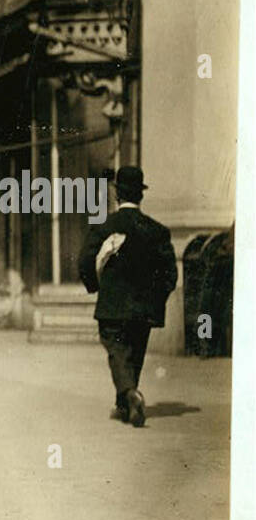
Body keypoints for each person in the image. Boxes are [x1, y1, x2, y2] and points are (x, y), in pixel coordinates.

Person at [78, 166, 178, 428]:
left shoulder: (105, 226)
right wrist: (156, 299)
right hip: (145, 308)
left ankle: (131, 395)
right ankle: (125, 403)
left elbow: (85, 260)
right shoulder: (158, 231)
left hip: (113, 305)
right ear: (140, 196)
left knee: (118, 351)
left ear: (116, 195)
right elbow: (170, 273)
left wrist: (96, 286)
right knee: (134, 353)